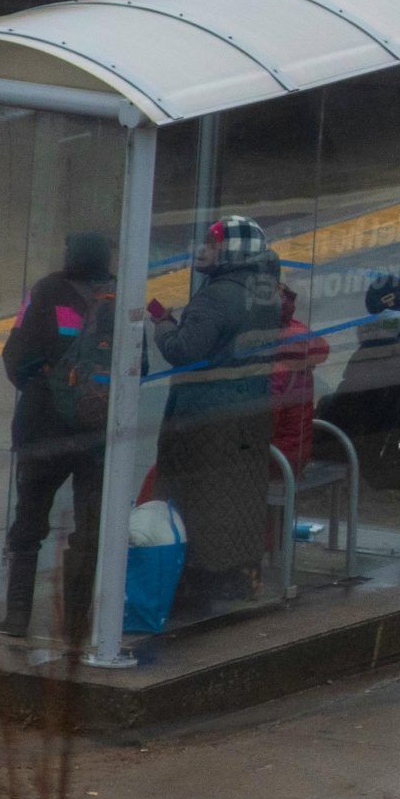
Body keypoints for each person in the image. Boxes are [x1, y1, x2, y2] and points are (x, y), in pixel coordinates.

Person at [151, 215, 283, 618]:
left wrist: (163, 323)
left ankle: (193, 586)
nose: (200, 251)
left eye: (210, 245)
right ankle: (235, 575)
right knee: (235, 498)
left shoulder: (217, 296)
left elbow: (182, 350)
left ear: (230, 252)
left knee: (196, 499)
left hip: (205, 416)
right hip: (248, 413)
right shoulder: (266, 291)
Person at [0, 232, 114, 642]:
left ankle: (17, 615)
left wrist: (46, 383)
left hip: (43, 427)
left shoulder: (48, 290)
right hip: (98, 433)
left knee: (29, 522)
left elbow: (16, 357)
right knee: (90, 529)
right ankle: (76, 622)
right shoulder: (118, 296)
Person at [314, 275, 400, 487]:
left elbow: (346, 408)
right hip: (399, 452)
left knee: (324, 406)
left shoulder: (372, 357)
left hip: (363, 450)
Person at [268, 283, 327, 477]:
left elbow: (266, 425)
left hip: (277, 460)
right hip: (295, 455)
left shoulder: (278, 366)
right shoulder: (296, 335)